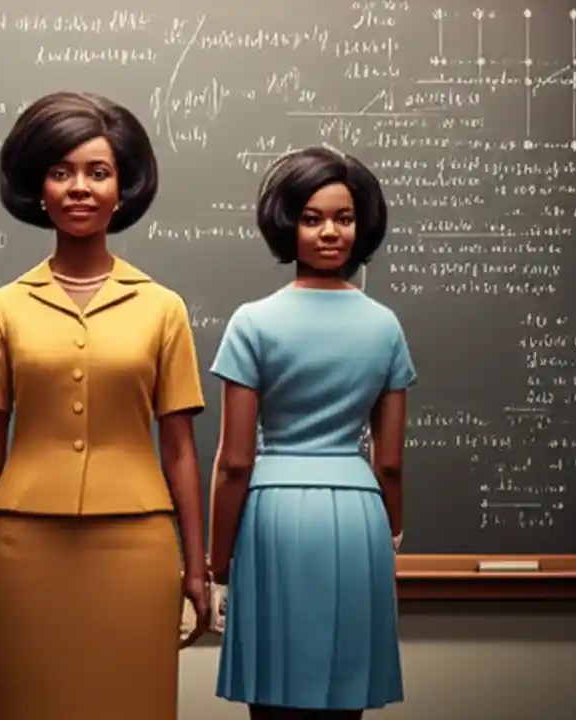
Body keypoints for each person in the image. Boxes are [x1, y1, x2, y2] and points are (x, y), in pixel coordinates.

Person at [0, 91, 211, 720]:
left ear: (124, 188)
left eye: (98, 172)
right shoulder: (4, 306)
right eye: (61, 171)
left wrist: (198, 569)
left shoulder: (163, 307)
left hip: (139, 546)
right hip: (24, 547)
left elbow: (179, 448)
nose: (79, 188)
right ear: (38, 186)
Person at [208, 146, 415, 720]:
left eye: (343, 219)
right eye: (314, 217)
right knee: (343, 696)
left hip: (272, 512)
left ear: (361, 225)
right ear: (289, 224)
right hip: (357, 518)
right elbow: (390, 461)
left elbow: (234, 463)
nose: (331, 231)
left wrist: (215, 565)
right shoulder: (385, 325)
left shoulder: (252, 322)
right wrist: (391, 530)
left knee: (274, 695)